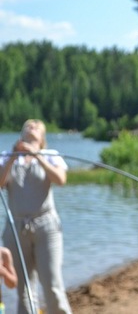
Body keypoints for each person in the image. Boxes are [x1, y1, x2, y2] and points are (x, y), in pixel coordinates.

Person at [0, 119, 72, 314]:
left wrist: (37, 156)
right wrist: (13, 157)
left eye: (36, 127)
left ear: (42, 137)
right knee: (24, 291)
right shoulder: (7, 157)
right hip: (16, 229)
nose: (31, 127)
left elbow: (60, 179)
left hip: (46, 227)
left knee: (53, 286)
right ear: (21, 134)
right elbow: (0, 183)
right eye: (28, 126)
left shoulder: (51, 155)